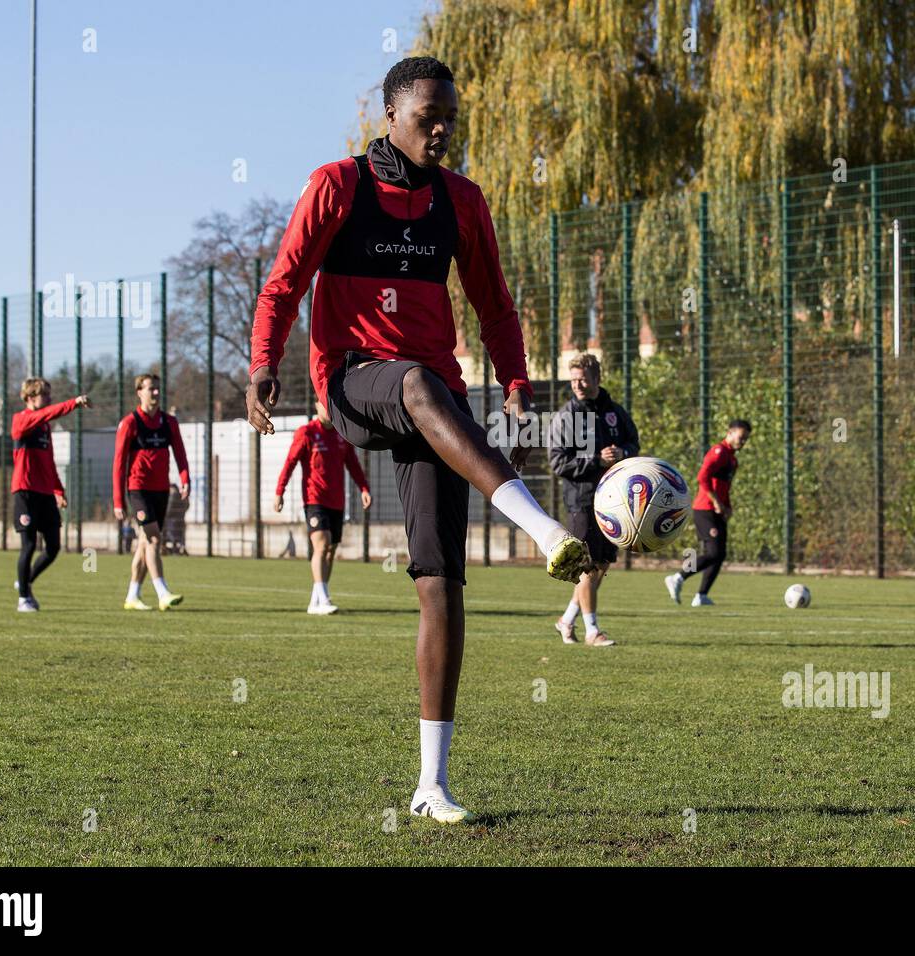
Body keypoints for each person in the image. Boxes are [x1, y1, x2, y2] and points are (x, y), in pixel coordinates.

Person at [246, 56, 590, 825]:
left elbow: (495, 306)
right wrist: (264, 363)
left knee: (440, 583)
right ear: (391, 113)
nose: (441, 129)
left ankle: (431, 784)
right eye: (428, 115)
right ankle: (539, 527)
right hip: (356, 384)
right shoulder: (336, 185)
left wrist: (515, 384)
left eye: (449, 120)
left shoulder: (462, 201)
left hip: (433, 397)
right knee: (411, 382)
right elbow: (285, 281)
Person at [548, 354, 639, 647]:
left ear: (598, 378)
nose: (578, 385)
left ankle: (566, 620)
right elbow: (558, 461)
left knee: (600, 565)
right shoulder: (566, 417)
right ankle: (592, 631)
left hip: (614, 502)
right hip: (582, 500)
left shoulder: (615, 413)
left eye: (583, 379)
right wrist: (595, 459)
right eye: (573, 379)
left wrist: (622, 454)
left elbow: (633, 443)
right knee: (587, 566)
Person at [275, 400, 372, 614]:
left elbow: (353, 464)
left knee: (330, 550)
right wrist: (279, 492)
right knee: (322, 544)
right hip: (314, 499)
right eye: (324, 405)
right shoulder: (306, 433)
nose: (328, 410)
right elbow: (290, 462)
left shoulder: (341, 435)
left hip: (337, 502)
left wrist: (364, 488)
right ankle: (324, 599)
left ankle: (315, 600)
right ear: (317, 406)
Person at [10, 377, 91, 612]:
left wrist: (58, 489)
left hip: (45, 493)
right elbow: (46, 415)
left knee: (54, 546)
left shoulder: (45, 427)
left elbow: (48, 462)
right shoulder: (21, 420)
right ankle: (24, 598)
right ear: (31, 397)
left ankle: (25, 581)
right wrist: (74, 402)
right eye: (45, 395)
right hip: (24, 491)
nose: (49, 399)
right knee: (29, 545)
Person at [112, 374, 189, 611]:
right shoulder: (130, 423)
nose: (155, 393)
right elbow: (118, 463)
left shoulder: (169, 423)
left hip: (161, 490)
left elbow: (180, 454)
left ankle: (132, 595)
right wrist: (118, 500)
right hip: (138, 490)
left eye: (157, 389)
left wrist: (185, 480)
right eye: (150, 389)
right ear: (139, 392)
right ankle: (162, 592)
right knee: (154, 537)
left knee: (145, 543)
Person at [666, 419, 751, 606]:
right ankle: (677, 577)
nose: (742, 442)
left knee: (719, 554)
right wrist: (716, 502)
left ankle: (701, 595)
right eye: (740, 438)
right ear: (730, 433)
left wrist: (727, 506)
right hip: (705, 509)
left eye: (745, 439)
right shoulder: (718, 452)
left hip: (717, 509)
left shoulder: (732, 458)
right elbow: (702, 478)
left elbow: (724, 486)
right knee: (713, 552)